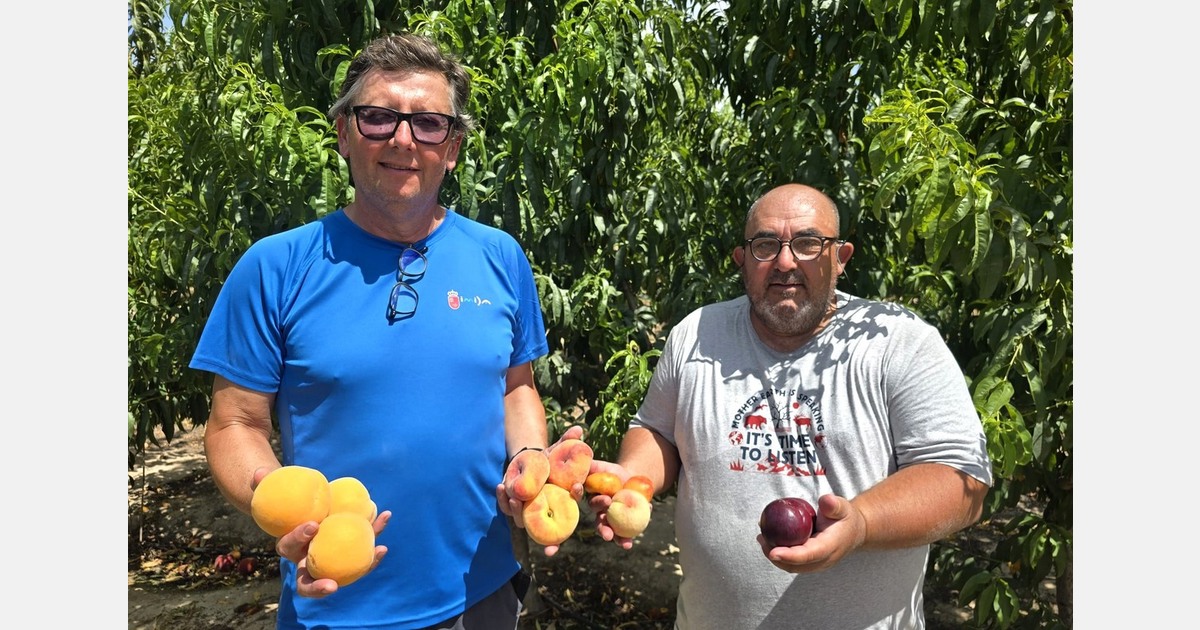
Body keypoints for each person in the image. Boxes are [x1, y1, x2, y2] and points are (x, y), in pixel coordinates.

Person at [190, 32, 574, 629]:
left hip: (484, 591)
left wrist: (528, 460)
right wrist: (286, 510)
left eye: (428, 123)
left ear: (452, 147)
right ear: (343, 133)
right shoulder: (275, 267)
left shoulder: (500, 256)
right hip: (338, 599)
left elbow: (515, 387)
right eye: (377, 117)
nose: (403, 139)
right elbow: (234, 423)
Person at [586, 183, 994, 629]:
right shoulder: (696, 334)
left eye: (807, 243)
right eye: (765, 245)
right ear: (742, 260)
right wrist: (633, 480)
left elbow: (960, 480)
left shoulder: (897, 341)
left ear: (840, 258)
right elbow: (659, 431)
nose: (785, 261)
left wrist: (860, 524)